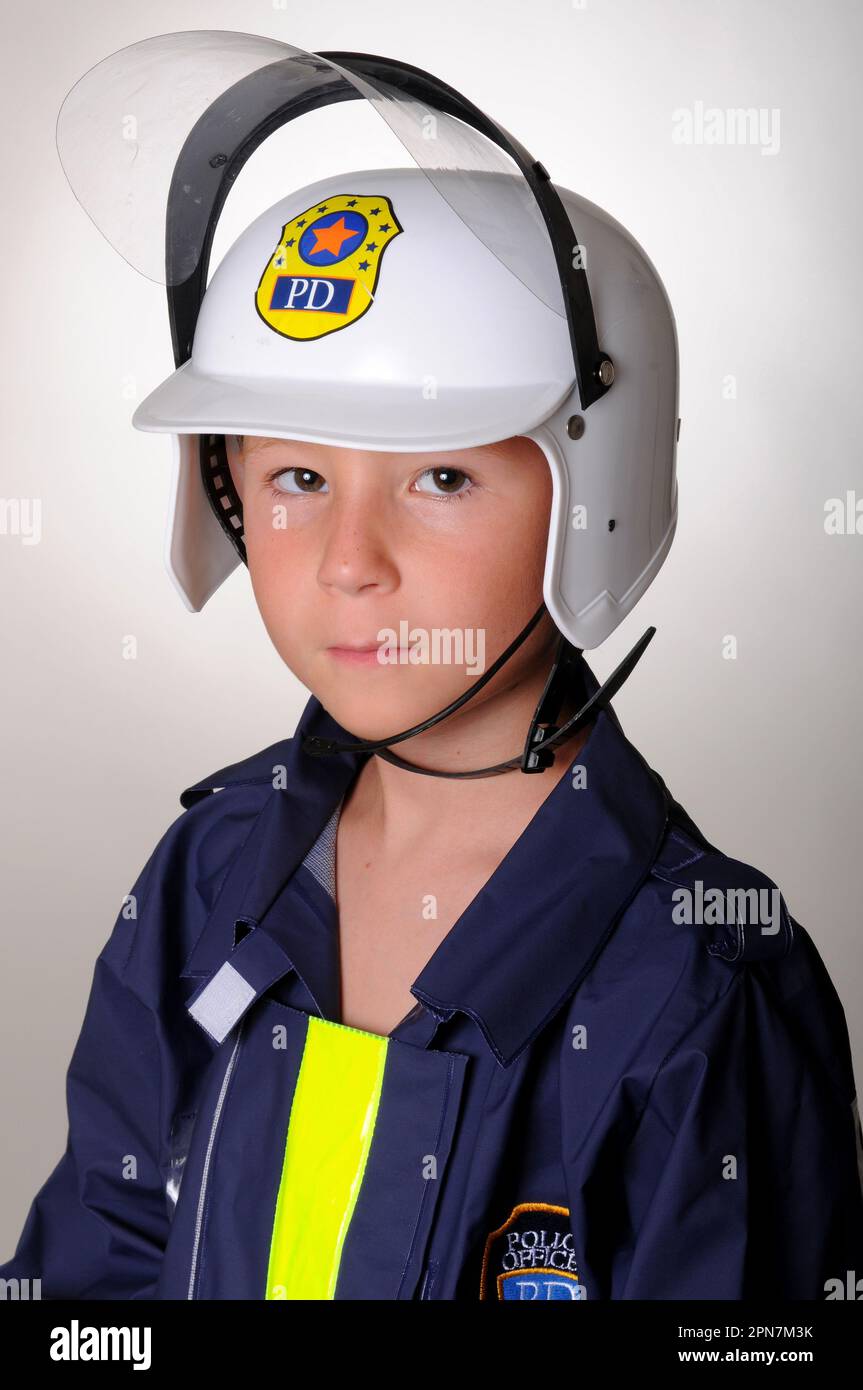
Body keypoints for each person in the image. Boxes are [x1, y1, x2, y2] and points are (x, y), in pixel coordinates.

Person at [2, 31, 862, 1302]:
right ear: (225, 492)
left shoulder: (703, 981)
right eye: (296, 476)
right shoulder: (204, 877)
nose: (351, 561)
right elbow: (93, 1292)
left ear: (593, 493)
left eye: (442, 476)